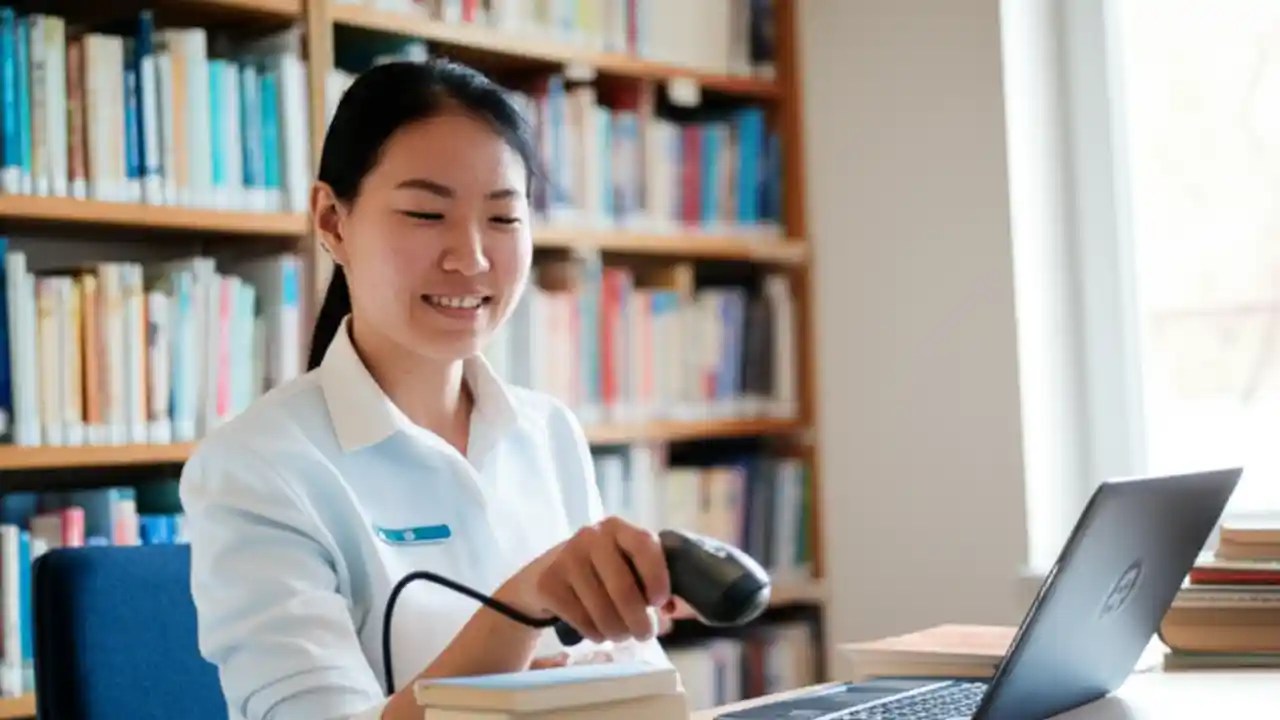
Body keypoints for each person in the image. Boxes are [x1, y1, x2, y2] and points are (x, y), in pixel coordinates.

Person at [179, 59, 677, 720]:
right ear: (332, 221)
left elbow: (638, 685)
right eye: (425, 213)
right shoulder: (258, 468)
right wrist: (522, 607)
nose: (470, 257)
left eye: (503, 219)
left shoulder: (548, 433)